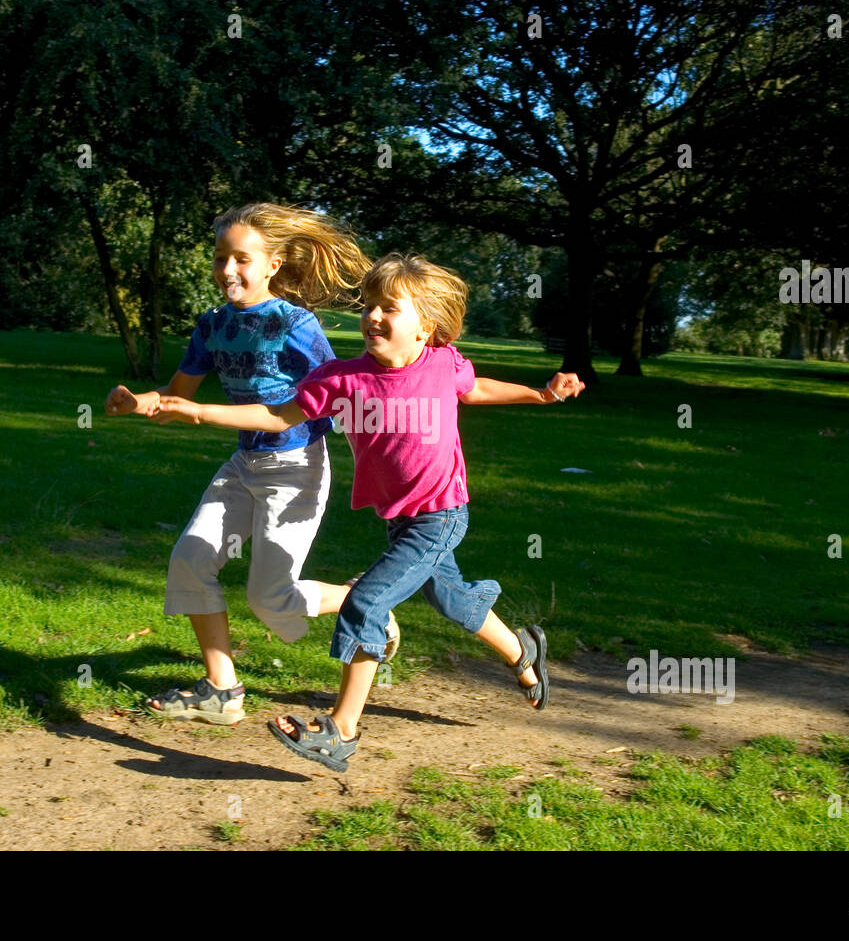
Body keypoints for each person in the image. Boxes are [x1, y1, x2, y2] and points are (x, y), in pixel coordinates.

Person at [150, 253, 585, 769]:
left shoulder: (443, 364)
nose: (373, 317)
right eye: (369, 306)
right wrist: (201, 409)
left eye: (389, 309)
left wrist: (540, 394)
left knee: (366, 605)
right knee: (454, 602)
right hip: (400, 518)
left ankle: (340, 731)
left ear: (427, 326)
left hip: (442, 514)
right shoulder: (342, 378)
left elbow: (477, 388)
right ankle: (523, 652)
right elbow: (276, 414)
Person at [105, 202, 393, 726]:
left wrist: (382, 448)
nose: (228, 270)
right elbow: (178, 393)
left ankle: (364, 601)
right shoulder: (212, 324)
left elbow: (331, 395)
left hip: (296, 465)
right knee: (189, 558)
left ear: (272, 266)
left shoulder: (294, 324)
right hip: (245, 463)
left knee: (271, 599)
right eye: (220, 258)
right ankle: (221, 690)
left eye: (242, 258)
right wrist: (140, 401)